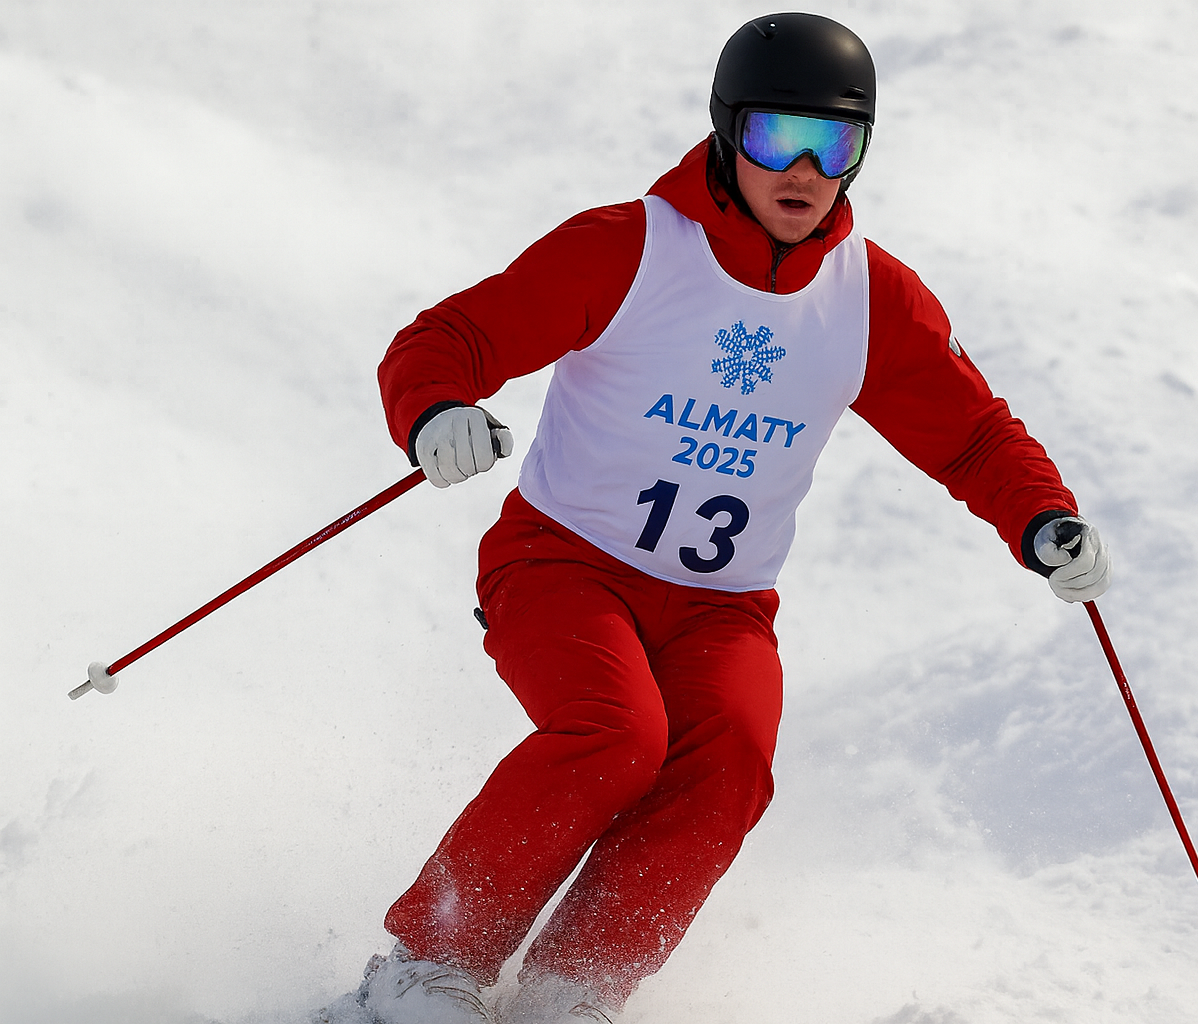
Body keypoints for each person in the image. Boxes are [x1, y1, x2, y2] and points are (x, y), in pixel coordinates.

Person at [316, 12, 1110, 1024]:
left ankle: (573, 989)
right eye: (782, 136)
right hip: (563, 564)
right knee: (617, 735)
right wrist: (435, 414)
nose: (808, 169)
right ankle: (428, 963)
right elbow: (450, 337)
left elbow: (971, 436)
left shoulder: (869, 300)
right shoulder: (630, 250)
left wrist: (1045, 519)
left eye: (838, 145)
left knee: (730, 754)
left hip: (719, 606)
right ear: (730, 132)